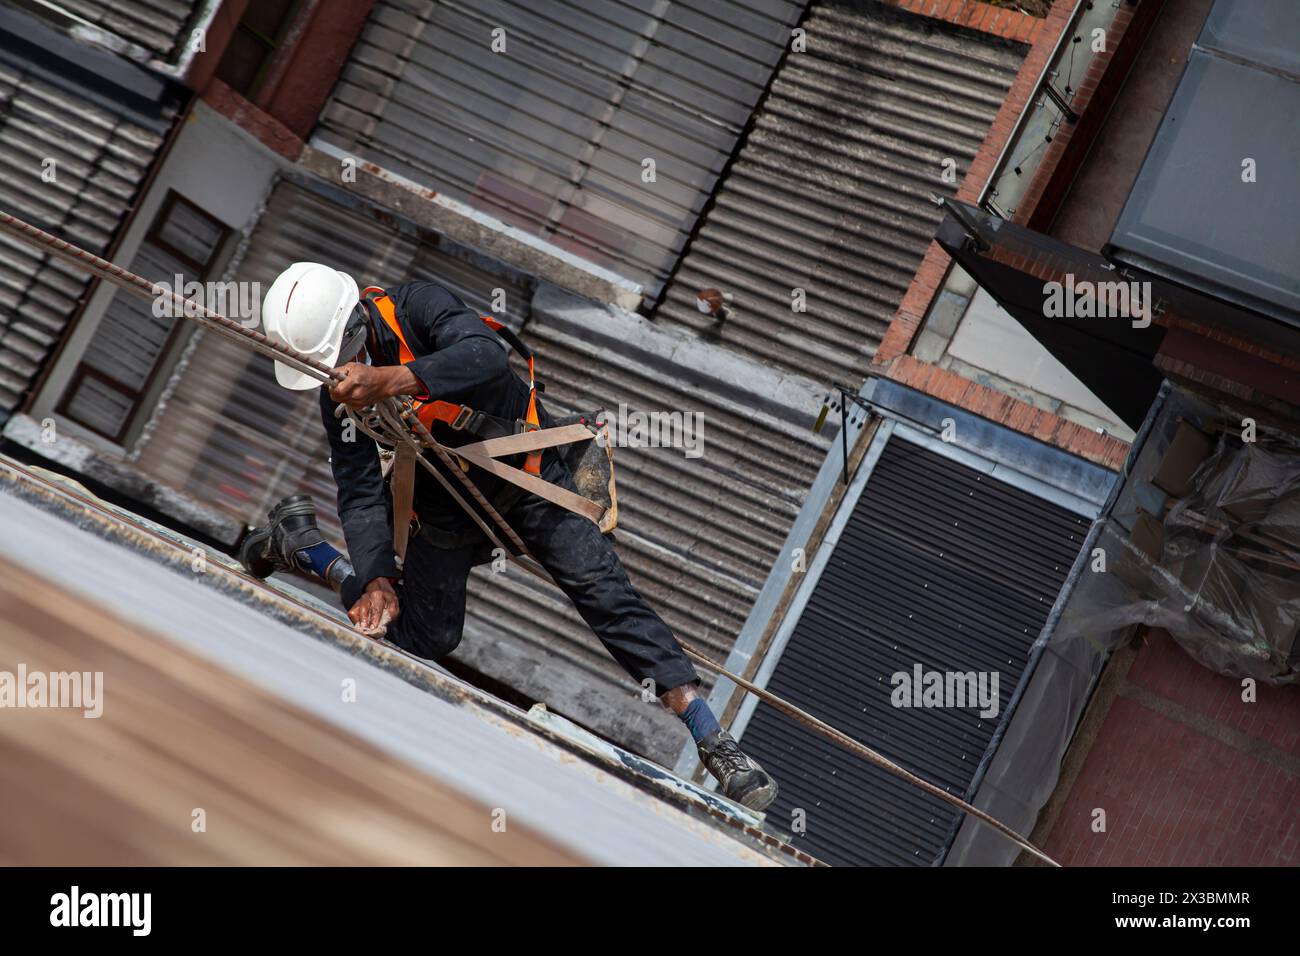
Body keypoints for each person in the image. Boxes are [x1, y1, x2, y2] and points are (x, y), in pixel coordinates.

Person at [240, 262, 778, 811]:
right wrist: (376, 576)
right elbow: (358, 489)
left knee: (602, 589)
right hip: (442, 509)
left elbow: (483, 356)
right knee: (424, 635)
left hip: (527, 476)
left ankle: (712, 737)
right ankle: (304, 546)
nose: (335, 377)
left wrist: (391, 380)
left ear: (354, 328)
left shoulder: (416, 308)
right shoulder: (338, 395)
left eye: (336, 362)